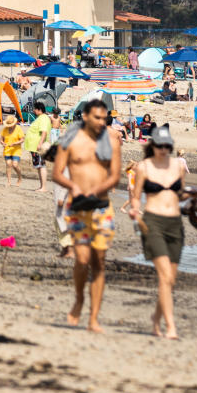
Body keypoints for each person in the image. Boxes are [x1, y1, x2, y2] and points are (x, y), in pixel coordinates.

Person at [54, 97, 122, 333]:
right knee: (82, 260)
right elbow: (57, 173)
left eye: (105, 118)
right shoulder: (70, 141)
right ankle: (79, 299)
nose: (102, 122)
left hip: (102, 207)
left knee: (99, 262)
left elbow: (115, 176)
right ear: (85, 117)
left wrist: (98, 188)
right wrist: (73, 187)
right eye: (97, 118)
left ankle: (93, 318)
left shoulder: (112, 142)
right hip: (78, 207)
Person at [128, 125, 188, 339]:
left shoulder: (177, 167)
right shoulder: (143, 167)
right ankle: (170, 327)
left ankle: (156, 318)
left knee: (170, 279)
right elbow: (135, 194)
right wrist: (134, 208)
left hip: (175, 223)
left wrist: (191, 200)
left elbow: (180, 194)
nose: (164, 150)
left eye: (167, 146)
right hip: (152, 222)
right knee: (164, 276)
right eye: (160, 146)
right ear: (153, 145)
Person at [22, 99, 56, 192]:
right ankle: (42, 186)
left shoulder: (43, 118)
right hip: (34, 146)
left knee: (41, 166)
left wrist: (40, 144)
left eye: (34, 109)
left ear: (39, 109)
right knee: (39, 166)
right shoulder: (41, 118)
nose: (33, 111)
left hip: (37, 146)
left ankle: (44, 187)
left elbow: (44, 131)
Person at [2, 115, 25, 185]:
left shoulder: (18, 128)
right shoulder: (5, 129)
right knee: (8, 164)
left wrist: (15, 143)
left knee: (15, 165)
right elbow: (1, 140)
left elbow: (22, 139)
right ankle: (9, 181)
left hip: (16, 149)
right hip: (7, 149)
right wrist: (2, 143)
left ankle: (20, 177)